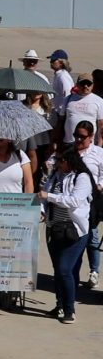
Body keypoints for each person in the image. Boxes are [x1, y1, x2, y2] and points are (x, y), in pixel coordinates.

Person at [40, 146, 93, 324]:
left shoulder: (82, 178)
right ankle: (60, 305)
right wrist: (42, 210)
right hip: (54, 229)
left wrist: (50, 196)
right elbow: (43, 197)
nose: (57, 163)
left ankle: (70, 310)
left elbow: (74, 201)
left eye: (60, 160)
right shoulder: (55, 176)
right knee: (58, 270)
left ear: (70, 160)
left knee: (65, 269)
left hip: (74, 231)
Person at [72, 120, 103, 288]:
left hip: (92, 202)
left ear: (91, 137)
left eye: (82, 137)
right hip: (73, 202)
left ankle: (94, 271)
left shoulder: (98, 153)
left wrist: (100, 185)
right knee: (75, 238)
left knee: (92, 237)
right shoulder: (70, 151)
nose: (78, 139)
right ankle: (73, 274)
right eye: (76, 135)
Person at [56, 72, 103, 146]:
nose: (85, 86)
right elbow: (60, 121)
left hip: (88, 144)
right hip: (69, 142)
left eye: (88, 84)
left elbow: (101, 125)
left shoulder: (99, 101)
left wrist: (99, 145)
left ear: (93, 85)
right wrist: (55, 141)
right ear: (77, 85)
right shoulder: (68, 99)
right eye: (82, 83)